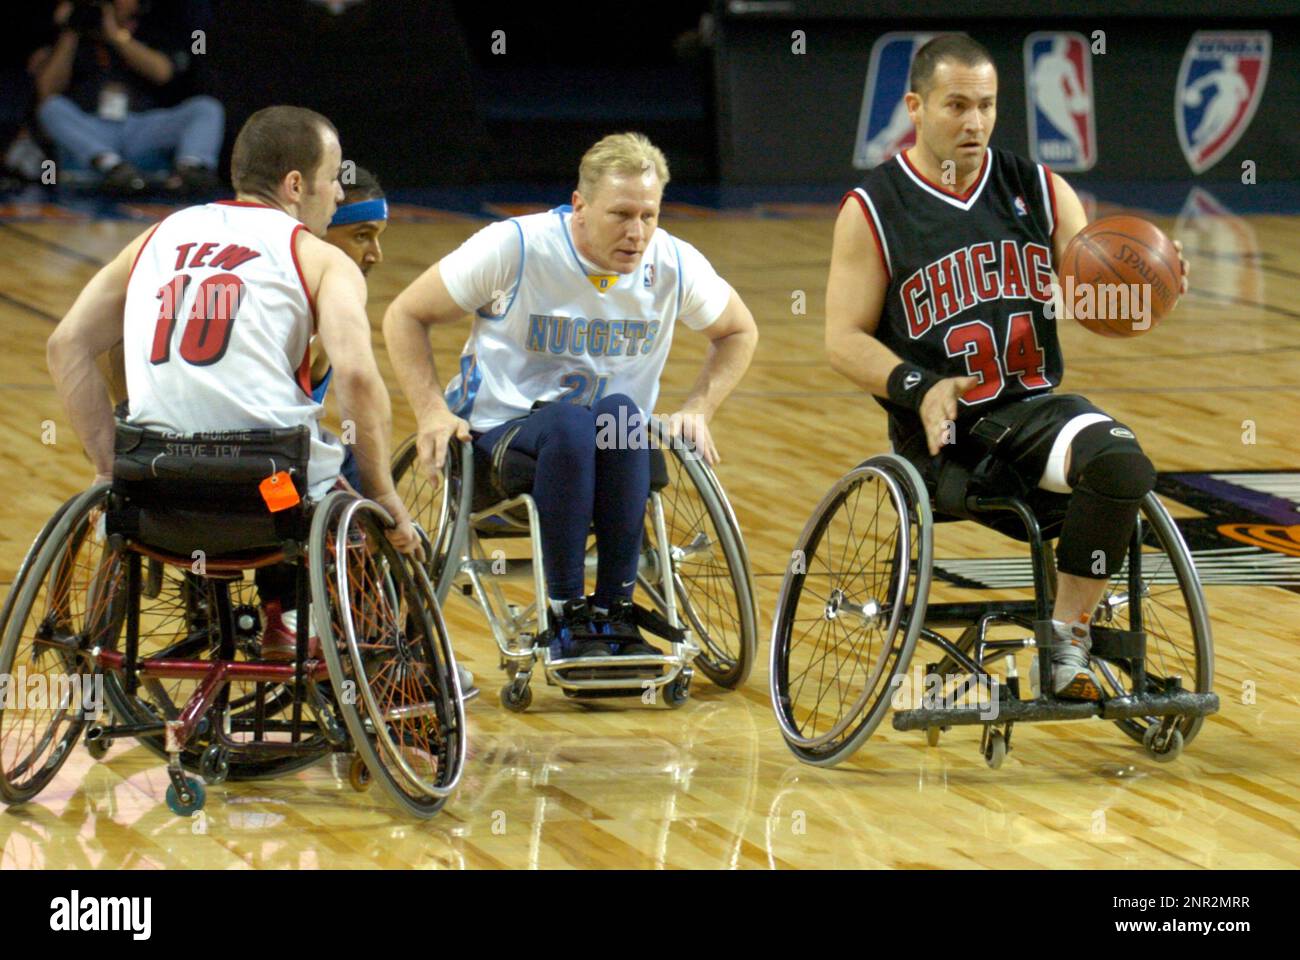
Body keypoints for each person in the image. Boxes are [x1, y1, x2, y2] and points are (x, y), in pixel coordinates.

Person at [824, 35, 1189, 701]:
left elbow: (1087, 292)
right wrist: (922, 385)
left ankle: (1067, 643)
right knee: (1097, 466)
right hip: (942, 436)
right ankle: (1070, 643)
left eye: (987, 105)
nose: (974, 122)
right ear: (915, 106)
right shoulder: (873, 210)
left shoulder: (1039, 189)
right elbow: (843, 339)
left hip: (1032, 417)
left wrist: (1147, 287)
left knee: (1123, 466)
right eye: (956, 105)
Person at [46, 104, 416, 661]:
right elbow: (359, 378)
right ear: (295, 185)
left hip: (151, 488)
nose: (338, 195)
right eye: (332, 180)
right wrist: (384, 495)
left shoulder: (157, 235)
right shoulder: (317, 258)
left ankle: (267, 618)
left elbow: (65, 345)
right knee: (353, 512)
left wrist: (108, 470)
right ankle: (373, 654)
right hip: (269, 495)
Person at [384, 132, 758, 658]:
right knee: (571, 422)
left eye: (649, 216)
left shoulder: (673, 262)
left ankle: (612, 614)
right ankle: (563, 615)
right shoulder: (515, 246)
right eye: (621, 214)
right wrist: (430, 411)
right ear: (580, 206)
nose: (637, 232)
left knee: (623, 415)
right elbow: (405, 313)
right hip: (500, 442)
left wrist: (699, 407)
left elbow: (739, 331)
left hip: (610, 452)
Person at [33, 0, 224, 195]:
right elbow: (47, 89)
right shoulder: (72, 36)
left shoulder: (152, 29)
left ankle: (191, 170)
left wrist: (115, 36)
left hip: (142, 127)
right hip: (92, 129)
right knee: (51, 107)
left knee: (206, 108)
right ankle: (113, 167)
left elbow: (162, 72)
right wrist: (70, 30)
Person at [311, 164, 389, 492]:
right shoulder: (324, 308)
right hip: (270, 473)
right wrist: (383, 495)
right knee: (363, 448)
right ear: (317, 230)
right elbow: (357, 384)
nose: (375, 255)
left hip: (166, 454)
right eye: (361, 235)